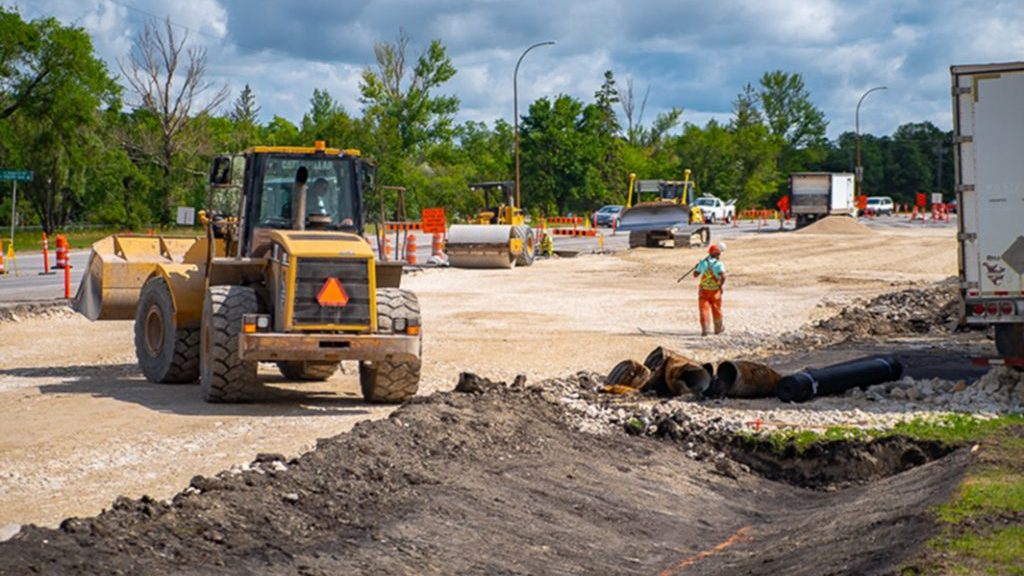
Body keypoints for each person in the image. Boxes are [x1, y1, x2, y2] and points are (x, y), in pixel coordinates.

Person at [692, 243, 726, 336]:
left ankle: (705, 330)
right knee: (716, 309)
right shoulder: (719, 264)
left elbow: (695, 275)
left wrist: (697, 267)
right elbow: (723, 276)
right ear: (717, 254)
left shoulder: (702, 263)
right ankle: (718, 329)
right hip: (715, 291)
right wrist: (721, 285)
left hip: (704, 291)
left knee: (704, 309)